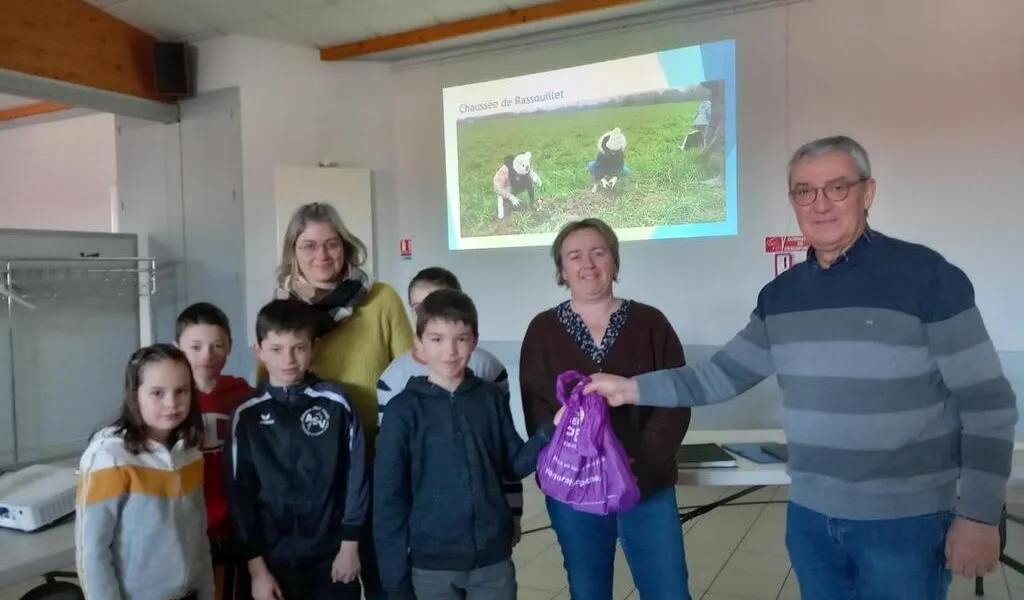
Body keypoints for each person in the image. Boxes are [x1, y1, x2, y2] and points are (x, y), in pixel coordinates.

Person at [584, 135, 1018, 600]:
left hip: (905, 523)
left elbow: (988, 403)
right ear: (793, 200)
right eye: (805, 191)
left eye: (837, 188)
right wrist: (629, 389)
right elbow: (720, 375)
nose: (821, 204)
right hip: (811, 520)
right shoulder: (782, 296)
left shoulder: (926, 277)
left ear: (867, 193)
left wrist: (978, 515)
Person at [519, 218, 693, 600]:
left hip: (646, 483)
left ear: (614, 260)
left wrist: (640, 463)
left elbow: (676, 398)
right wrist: (570, 462)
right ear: (561, 270)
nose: (588, 264)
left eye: (599, 253)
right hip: (575, 487)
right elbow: (536, 409)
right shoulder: (542, 330)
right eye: (575, 256)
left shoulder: (651, 323)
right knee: (588, 589)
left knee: (668, 590)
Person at [264, 201, 413, 598]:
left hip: (379, 458)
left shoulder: (380, 299)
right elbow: (268, 390)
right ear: (292, 253)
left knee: (388, 579)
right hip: (314, 471)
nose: (322, 255)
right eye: (308, 246)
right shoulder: (283, 313)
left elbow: (409, 377)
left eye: (331, 244)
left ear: (346, 247)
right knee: (331, 585)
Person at [374, 289, 563, 600]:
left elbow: (512, 464)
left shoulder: (489, 398)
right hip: (431, 564)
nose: (450, 350)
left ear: (474, 341)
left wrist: (550, 431)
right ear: (419, 345)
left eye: (460, 339)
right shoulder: (402, 411)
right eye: (437, 339)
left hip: (492, 559)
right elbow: (388, 499)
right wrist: (394, 579)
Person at [227, 299, 369, 600]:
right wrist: (256, 569)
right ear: (260, 352)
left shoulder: (337, 402)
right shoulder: (246, 414)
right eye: (276, 349)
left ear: (313, 348)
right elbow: (240, 493)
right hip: (271, 562)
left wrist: (349, 545)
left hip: (332, 557)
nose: (288, 359)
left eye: (299, 347)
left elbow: (356, 476)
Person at [376, 266, 525, 544]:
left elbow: (504, 455)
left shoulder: (488, 369)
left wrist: (513, 513)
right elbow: (392, 471)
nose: (433, 313)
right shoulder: (393, 379)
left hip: (484, 527)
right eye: (419, 308)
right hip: (425, 531)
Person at [75, 344, 214, 600]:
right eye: (157, 393)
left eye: (181, 391)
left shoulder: (190, 453)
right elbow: (92, 551)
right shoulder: (109, 456)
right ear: (134, 394)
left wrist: (207, 592)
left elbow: (199, 536)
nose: (171, 403)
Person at [176, 302, 254, 600]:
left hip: (234, 526)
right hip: (186, 528)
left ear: (230, 347)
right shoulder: (169, 400)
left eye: (217, 345)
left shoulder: (243, 394)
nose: (207, 356)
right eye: (195, 346)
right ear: (177, 347)